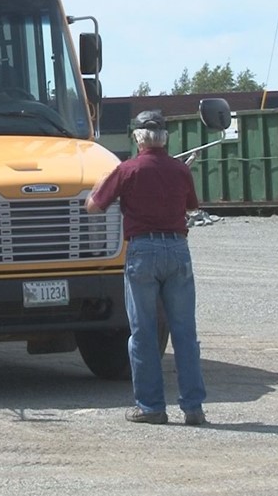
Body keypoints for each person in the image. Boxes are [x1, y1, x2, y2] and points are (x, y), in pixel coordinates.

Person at [85, 109, 208, 426]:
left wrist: (105, 181)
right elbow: (193, 205)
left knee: (142, 332)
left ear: (138, 138)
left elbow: (94, 206)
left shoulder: (127, 170)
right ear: (165, 138)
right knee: (184, 332)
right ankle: (193, 407)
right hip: (178, 249)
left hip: (143, 251)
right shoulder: (180, 170)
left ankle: (151, 406)